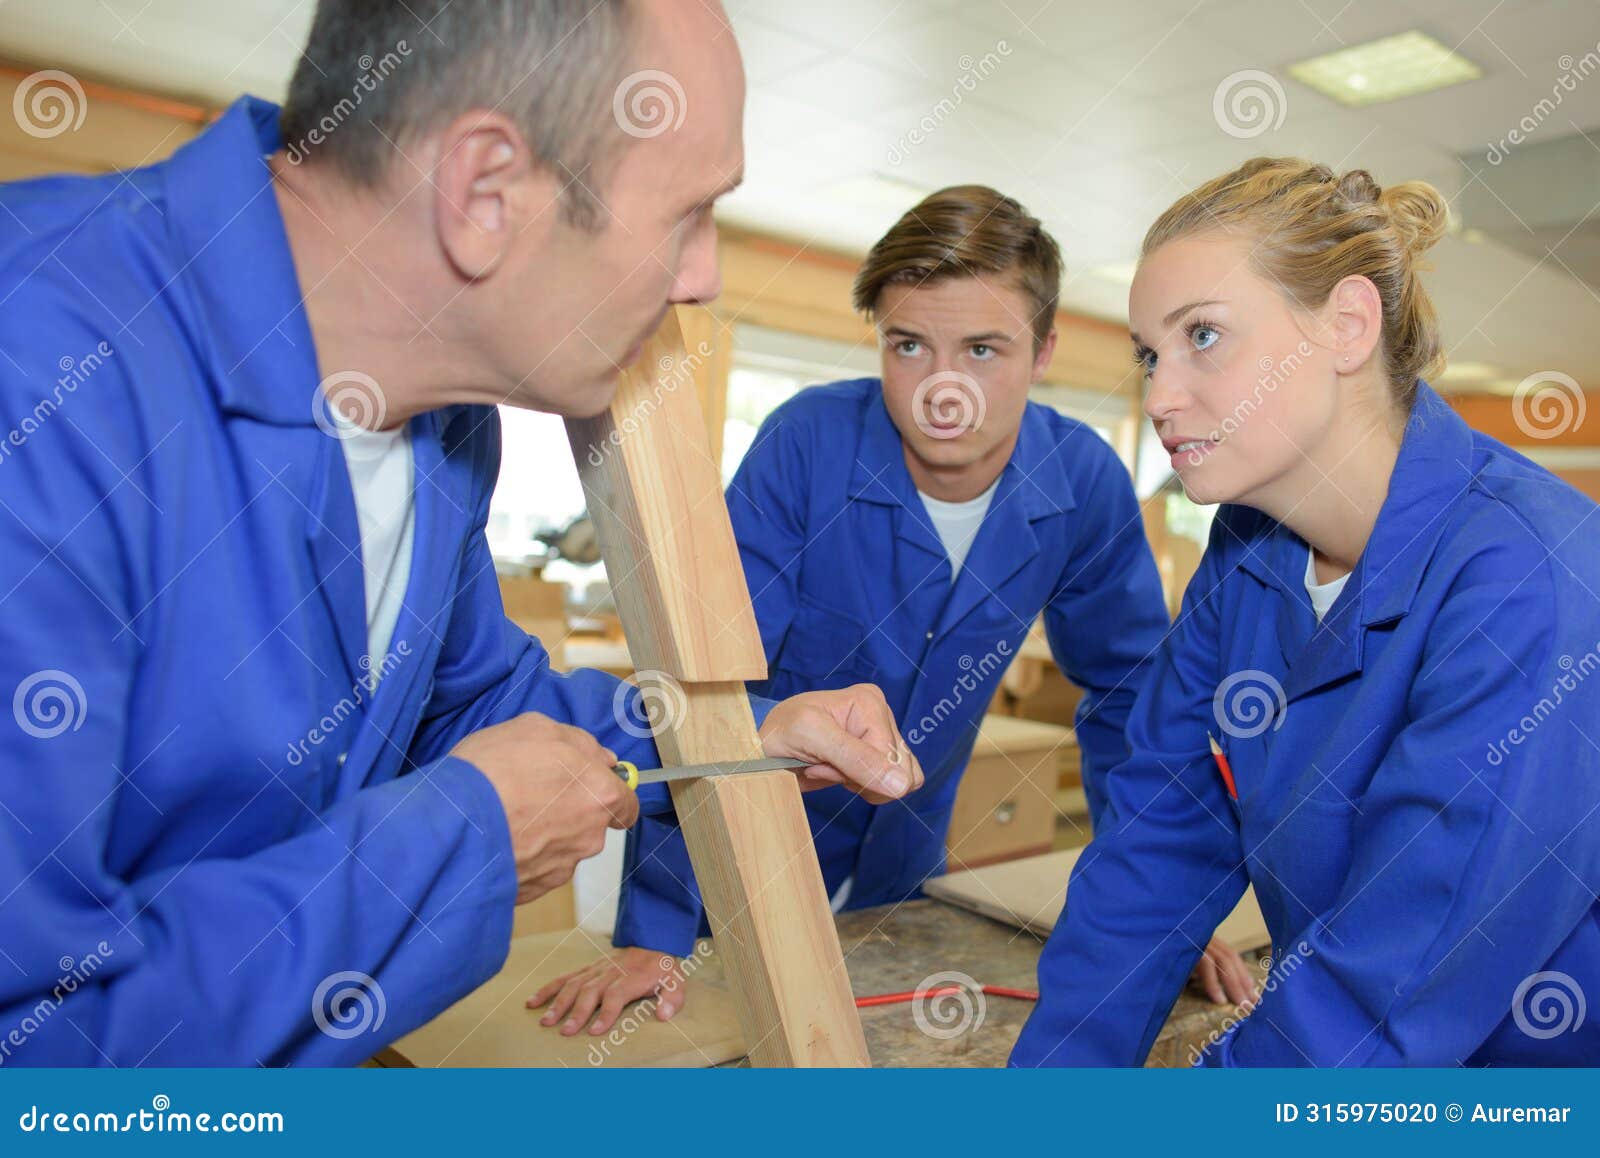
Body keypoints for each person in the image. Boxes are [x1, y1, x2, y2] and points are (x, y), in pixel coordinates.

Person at [0, 0, 921, 1067]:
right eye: (687, 215)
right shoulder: (41, 378)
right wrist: (464, 841)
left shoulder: (443, 420)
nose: (703, 278)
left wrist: (734, 749)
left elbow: (467, 703)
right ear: (484, 192)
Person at [532, 186, 1255, 1038]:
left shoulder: (1087, 481)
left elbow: (1133, 705)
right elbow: (702, 690)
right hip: (730, 864)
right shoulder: (805, 444)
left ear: (1046, 348)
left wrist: (1164, 901)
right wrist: (653, 932)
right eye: (909, 345)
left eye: (983, 349)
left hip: (905, 869)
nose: (942, 389)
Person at [1011, 157, 1600, 1067]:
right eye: (1149, 355)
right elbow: (1160, 840)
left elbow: (1382, 995)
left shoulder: (1536, 579)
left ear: (1348, 325)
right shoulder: (1249, 548)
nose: (1161, 398)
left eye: (1203, 335)